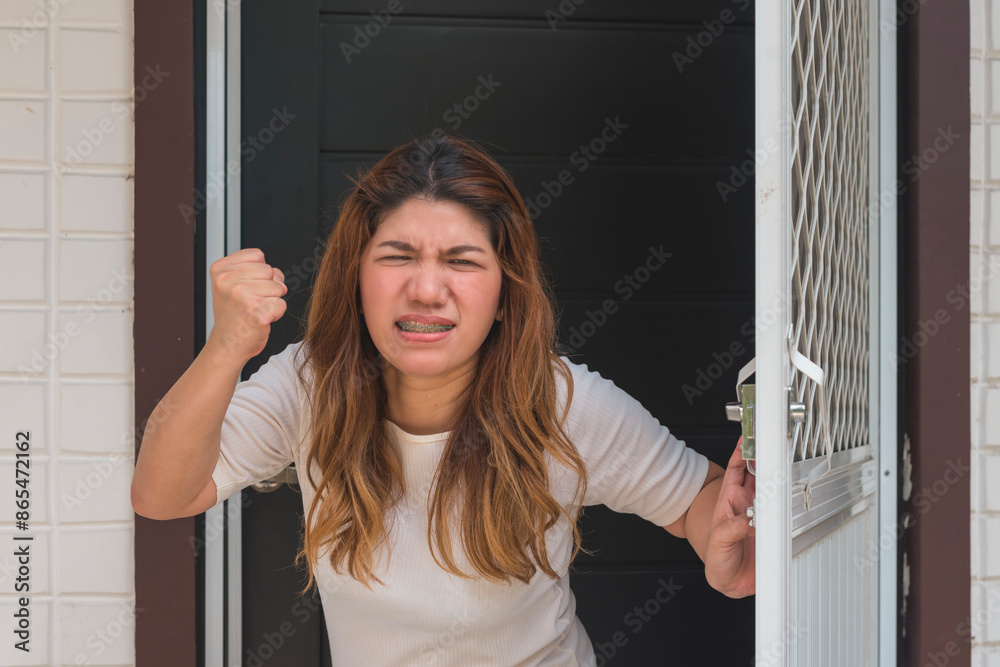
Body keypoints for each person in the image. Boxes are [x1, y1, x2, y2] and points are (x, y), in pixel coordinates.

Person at [131, 134, 755, 665]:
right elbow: (164, 494)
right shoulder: (310, 384)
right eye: (397, 256)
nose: (427, 289)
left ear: (507, 293)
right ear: (356, 276)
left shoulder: (558, 402)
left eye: (462, 261)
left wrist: (727, 547)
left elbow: (695, 500)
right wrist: (226, 349)